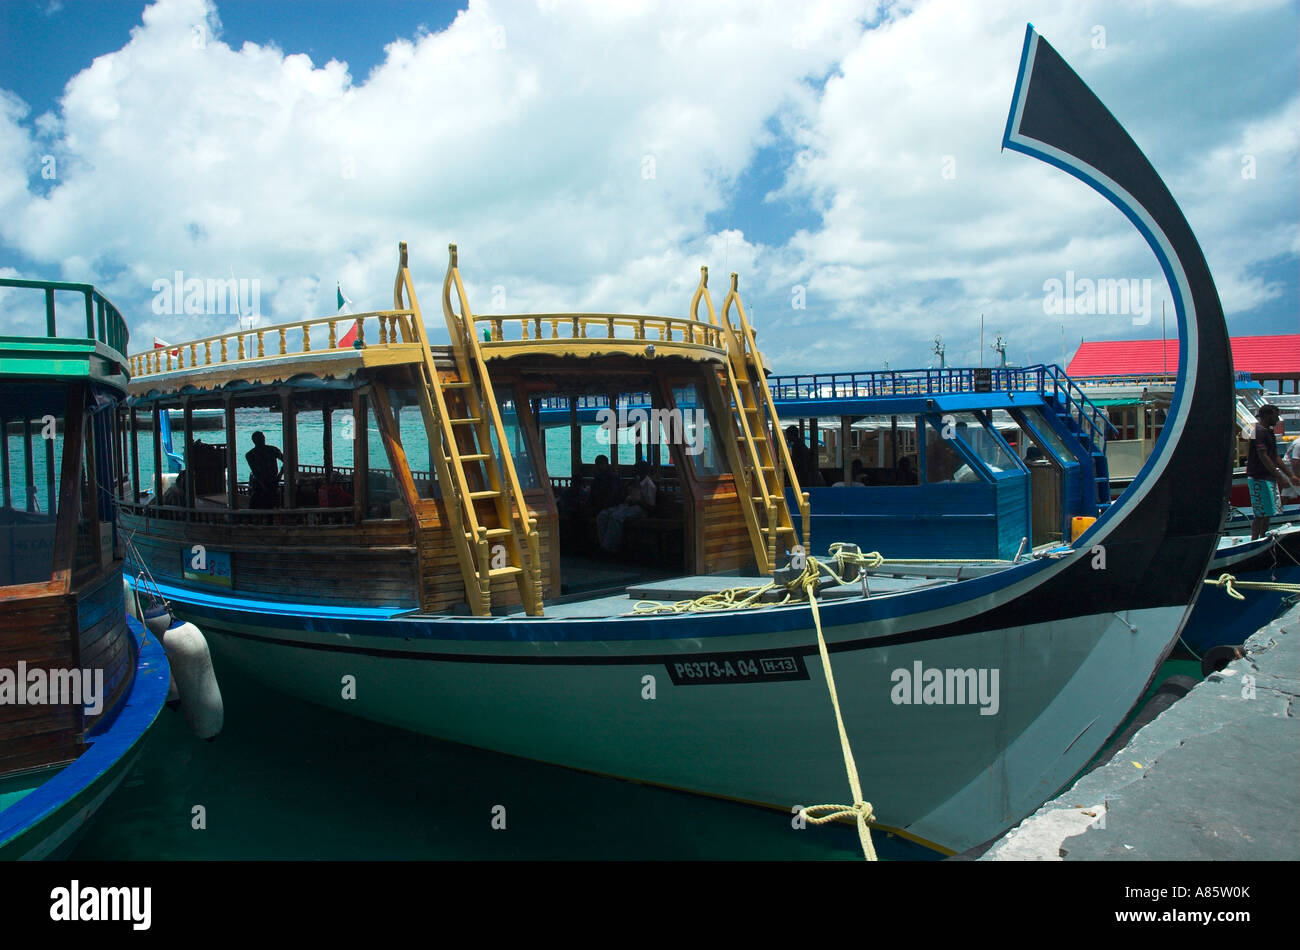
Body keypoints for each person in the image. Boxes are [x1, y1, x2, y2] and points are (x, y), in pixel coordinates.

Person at [1245, 404, 1295, 539]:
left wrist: (1290, 475)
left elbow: (1275, 456)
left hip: (1268, 477)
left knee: (1268, 511)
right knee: (1260, 513)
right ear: (1267, 415)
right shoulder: (1257, 431)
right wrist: (1279, 476)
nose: (1278, 419)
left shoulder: (1269, 431)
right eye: (1275, 415)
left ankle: (1262, 537)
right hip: (1258, 477)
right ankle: (1255, 539)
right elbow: (1263, 456)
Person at [597, 461, 656, 553]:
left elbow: (650, 507)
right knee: (603, 515)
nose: (635, 471)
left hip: (640, 509)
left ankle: (610, 549)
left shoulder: (649, 485)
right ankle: (603, 544)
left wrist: (637, 502)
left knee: (616, 517)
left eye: (637, 469)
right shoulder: (635, 481)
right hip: (627, 506)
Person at [246, 431, 284, 509]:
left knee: (264, 507)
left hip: (268, 483)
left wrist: (280, 474)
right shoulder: (272, 450)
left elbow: (255, 472)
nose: (262, 440)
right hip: (263, 484)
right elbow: (255, 472)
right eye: (261, 438)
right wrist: (280, 474)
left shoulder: (251, 454)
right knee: (261, 507)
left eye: (262, 438)